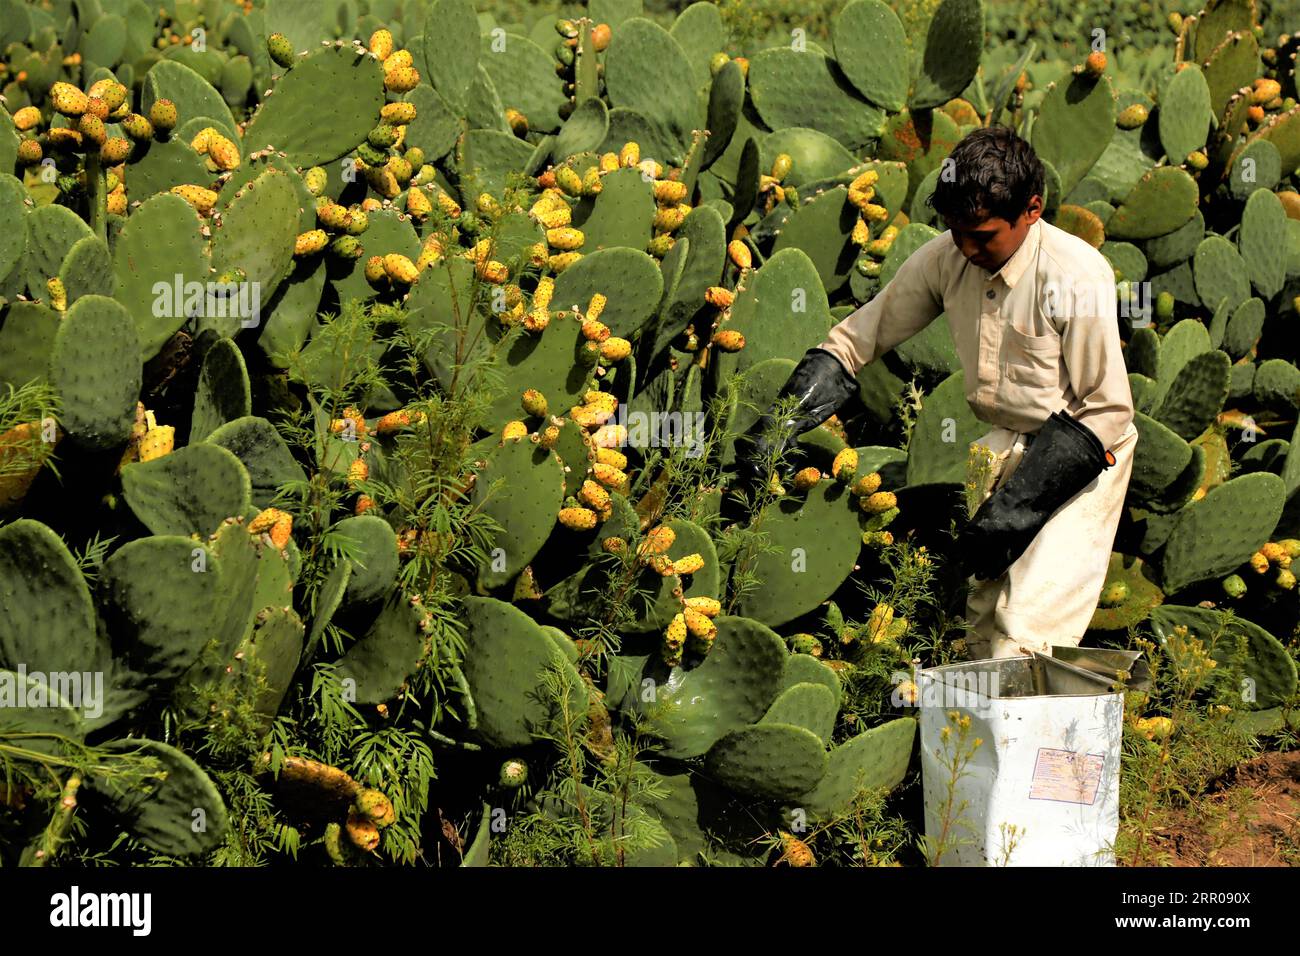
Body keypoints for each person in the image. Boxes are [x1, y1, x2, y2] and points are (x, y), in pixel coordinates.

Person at [736, 125, 1138, 660]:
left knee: (1027, 631)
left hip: (1083, 453)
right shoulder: (948, 256)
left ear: (1033, 209)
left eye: (984, 235)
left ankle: (1039, 743)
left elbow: (1109, 407)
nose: (968, 250)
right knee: (982, 627)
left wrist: (1017, 508)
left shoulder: (1075, 274)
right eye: (956, 232)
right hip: (1004, 442)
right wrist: (780, 423)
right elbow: (859, 339)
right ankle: (980, 744)